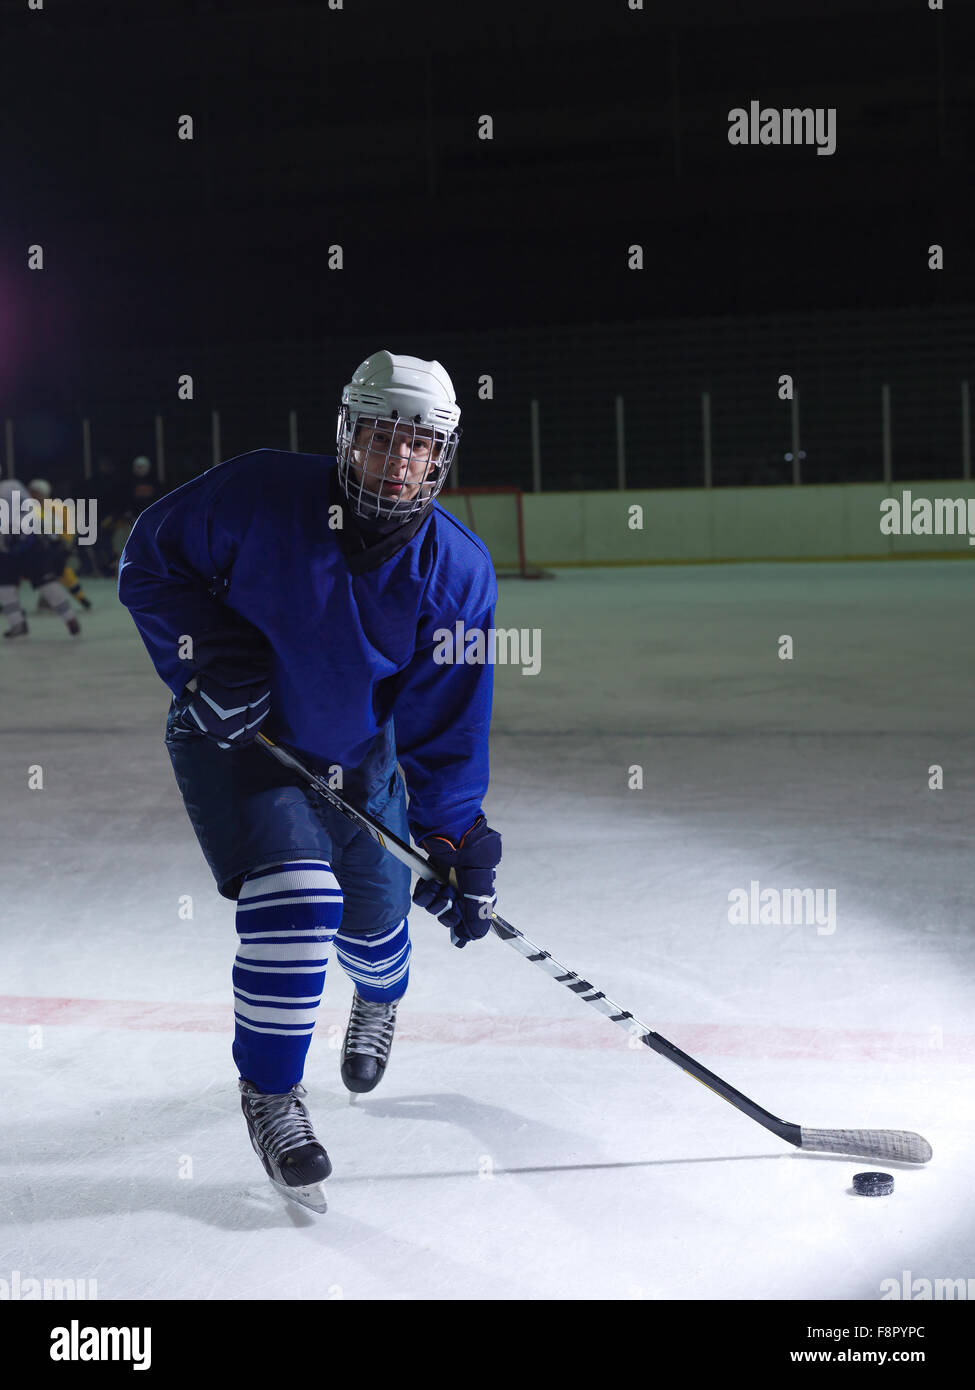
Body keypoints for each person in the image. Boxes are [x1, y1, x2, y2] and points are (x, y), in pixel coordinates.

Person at [118, 351, 503, 1212]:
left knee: (375, 931)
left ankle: (379, 996)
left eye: (417, 445)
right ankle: (271, 1096)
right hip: (236, 741)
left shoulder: (459, 571)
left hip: (354, 757)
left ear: (440, 455)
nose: (396, 460)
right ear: (347, 435)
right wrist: (208, 660)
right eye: (380, 437)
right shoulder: (256, 493)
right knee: (296, 904)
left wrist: (448, 836)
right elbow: (149, 562)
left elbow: (446, 717)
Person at [0, 478, 81, 638]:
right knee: (5, 587)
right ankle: (17, 623)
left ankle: (69, 618)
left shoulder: (10, 487)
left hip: (30, 544)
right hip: (9, 548)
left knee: (47, 584)